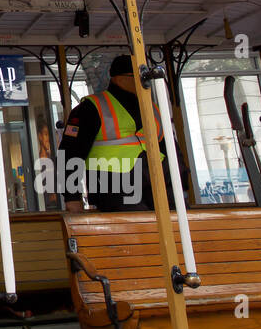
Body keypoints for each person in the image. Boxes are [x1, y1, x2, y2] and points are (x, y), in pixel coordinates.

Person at [58, 54, 185, 212]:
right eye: (139, 77)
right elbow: (70, 153)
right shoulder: (90, 108)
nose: (145, 82)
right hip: (115, 189)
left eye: (146, 78)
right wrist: (72, 197)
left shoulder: (151, 107)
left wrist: (182, 178)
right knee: (138, 233)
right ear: (119, 78)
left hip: (160, 185)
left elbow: (169, 146)